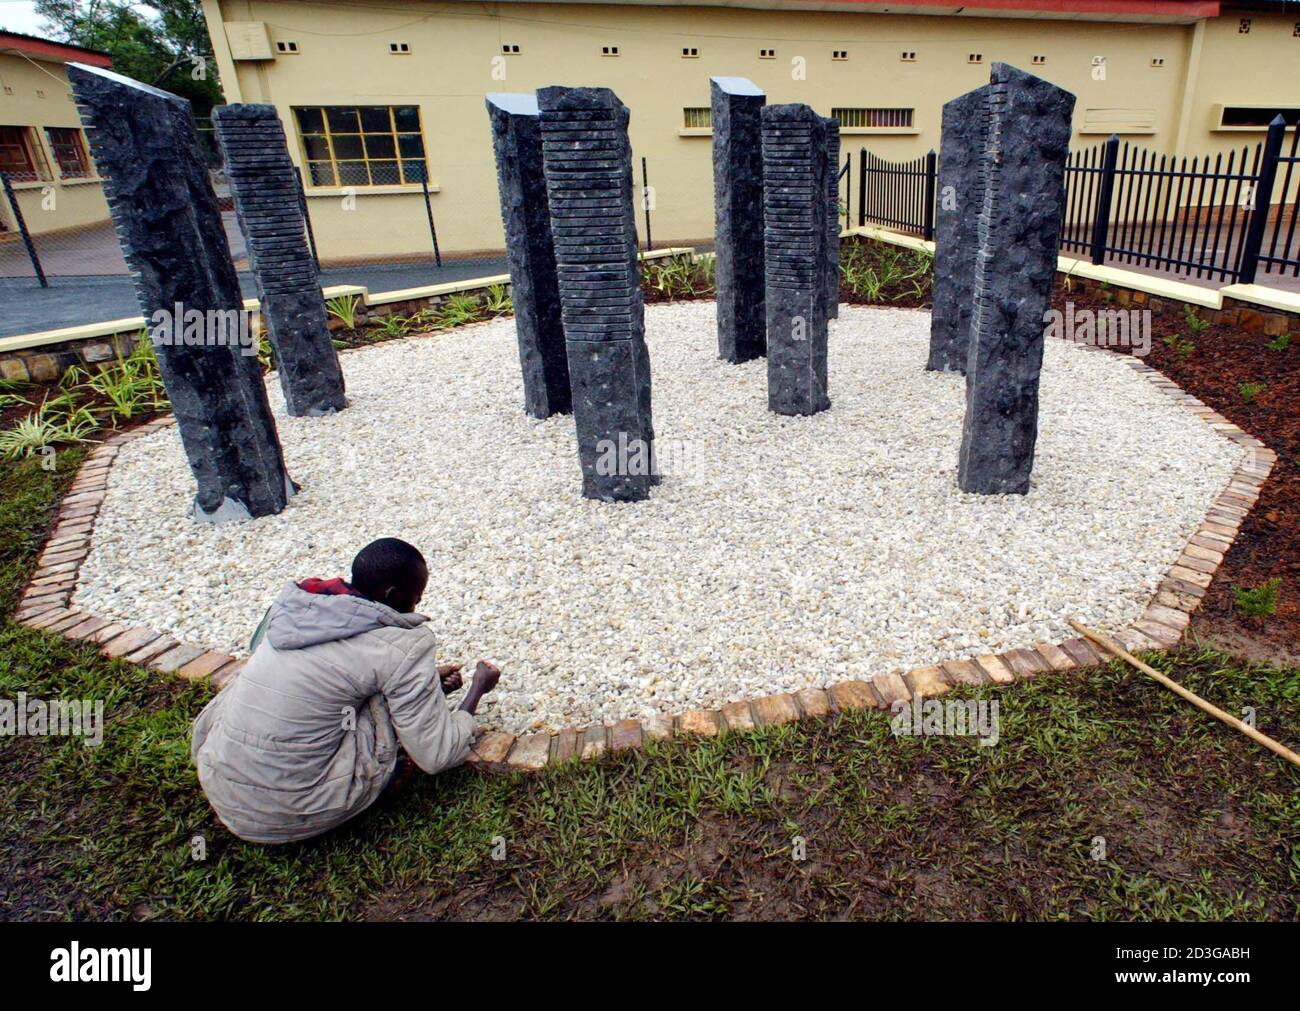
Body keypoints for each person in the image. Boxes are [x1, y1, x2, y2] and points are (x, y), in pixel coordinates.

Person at [191, 537, 500, 844]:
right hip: (287, 811)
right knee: (386, 708)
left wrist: (426, 685)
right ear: (392, 594)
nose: (417, 606)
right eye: (416, 599)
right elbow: (437, 754)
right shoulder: (403, 646)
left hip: (223, 787)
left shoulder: (298, 610)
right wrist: (475, 693)